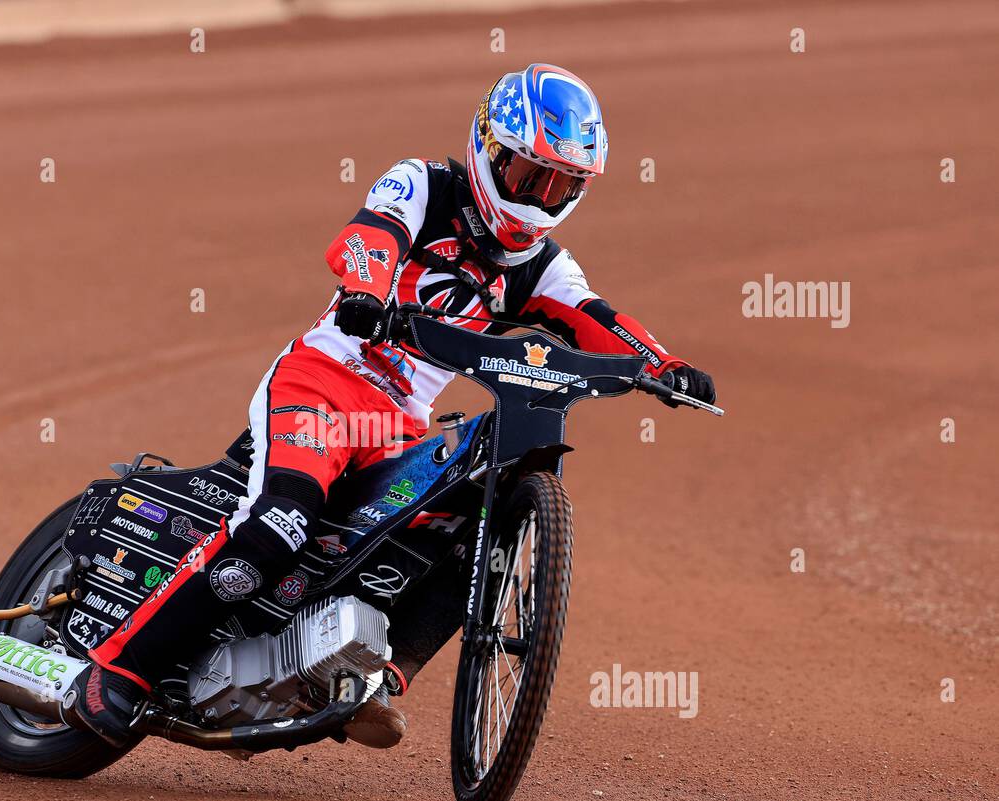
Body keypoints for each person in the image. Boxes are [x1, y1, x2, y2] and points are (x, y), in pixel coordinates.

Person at [65, 63, 716, 750]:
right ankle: (117, 673)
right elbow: (367, 237)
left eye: (562, 184)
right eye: (530, 176)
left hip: (396, 426)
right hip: (323, 384)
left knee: (472, 525)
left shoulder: (544, 266)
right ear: (490, 151)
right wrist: (368, 291)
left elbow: (593, 317)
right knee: (279, 524)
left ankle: (377, 678)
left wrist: (663, 365)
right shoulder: (424, 184)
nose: (542, 197)